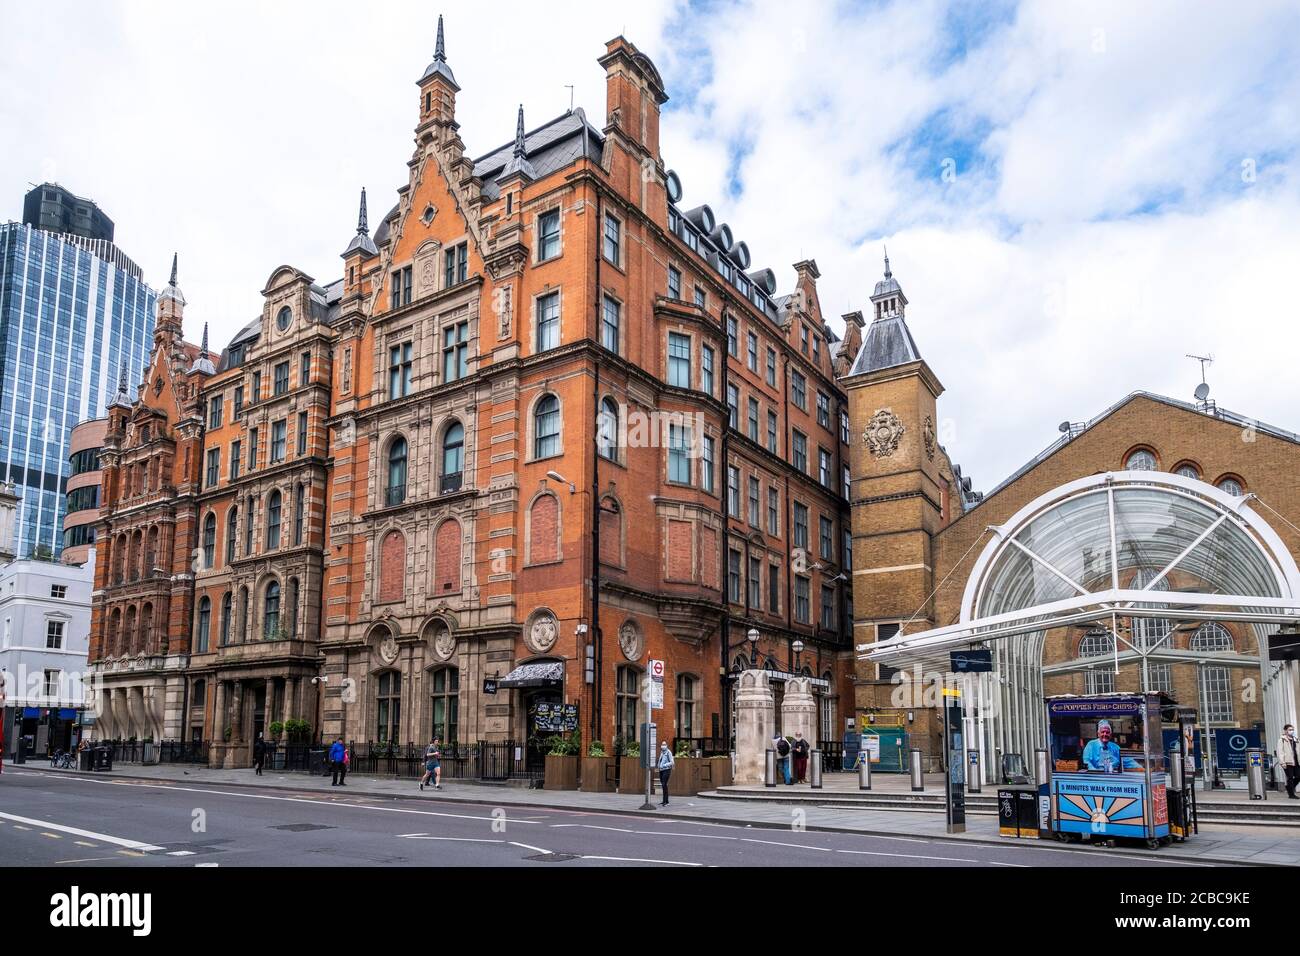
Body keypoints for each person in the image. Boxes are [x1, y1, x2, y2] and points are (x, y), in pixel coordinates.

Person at [1278, 724, 1299, 799]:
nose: (1291, 731)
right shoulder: (1282, 740)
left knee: (1298, 776)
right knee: (1290, 777)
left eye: (1292, 729)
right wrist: (1282, 762)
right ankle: (1291, 794)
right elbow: (1280, 752)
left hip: (1296, 762)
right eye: (1290, 729)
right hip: (1288, 762)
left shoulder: (1296, 739)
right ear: (1286, 731)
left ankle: (1289, 787)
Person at [657, 742, 675, 806]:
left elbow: (672, 762)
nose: (663, 746)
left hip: (666, 770)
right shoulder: (662, 752)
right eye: (662, 744)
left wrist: (664, 765)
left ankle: (666, 802)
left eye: (664, 744)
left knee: (664, 784)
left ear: (667, 745)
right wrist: (658, 766)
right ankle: (665, 801)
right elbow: (660, 760)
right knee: (663, 785)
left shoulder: (668, 752)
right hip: (661, 770)